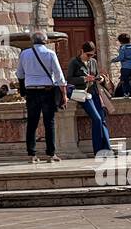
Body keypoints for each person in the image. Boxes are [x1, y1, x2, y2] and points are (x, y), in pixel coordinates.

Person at [17, 30, 67, 162]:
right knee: (49, 122)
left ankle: (32, 154)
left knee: (32, 123)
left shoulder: (24, 54)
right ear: (45, 41)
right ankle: (51, 154)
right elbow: (59, 76)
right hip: (47, 90)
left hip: (31, 91)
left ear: (33, 41)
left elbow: (20, 74)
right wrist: (64, 94)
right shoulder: (50, 54)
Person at [68, 41, 112, 155]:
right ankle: (98, 150)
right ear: (82, 51)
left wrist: (100, 79)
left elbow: (96, 75)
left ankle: (107, 149)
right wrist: (84, 79)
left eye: (92, 55)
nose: (90, 57)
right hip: (82, 94)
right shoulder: (74, 62)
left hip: (94, 92)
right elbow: (69, 79)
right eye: (88, 55)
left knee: (102, 120)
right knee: (96, 119)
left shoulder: (93, 62)